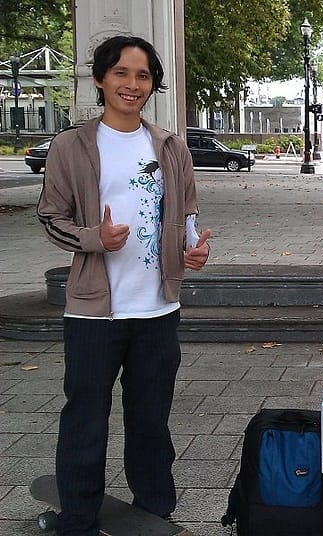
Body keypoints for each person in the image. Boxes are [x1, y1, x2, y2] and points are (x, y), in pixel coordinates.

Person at [36, 34, 211, 536]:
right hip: (95, 312)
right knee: (85, 420)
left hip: (157, 309)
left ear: (152, 84)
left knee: (151, 421)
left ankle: (155, 509)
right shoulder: (73, 145)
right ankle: (78, 519)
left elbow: (188, 215)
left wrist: (193, 250)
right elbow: (50, 217)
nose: (132, 85)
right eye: (121, 73)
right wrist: (95, 237)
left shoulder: (170, 146)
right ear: (99, 79)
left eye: (142, 76)